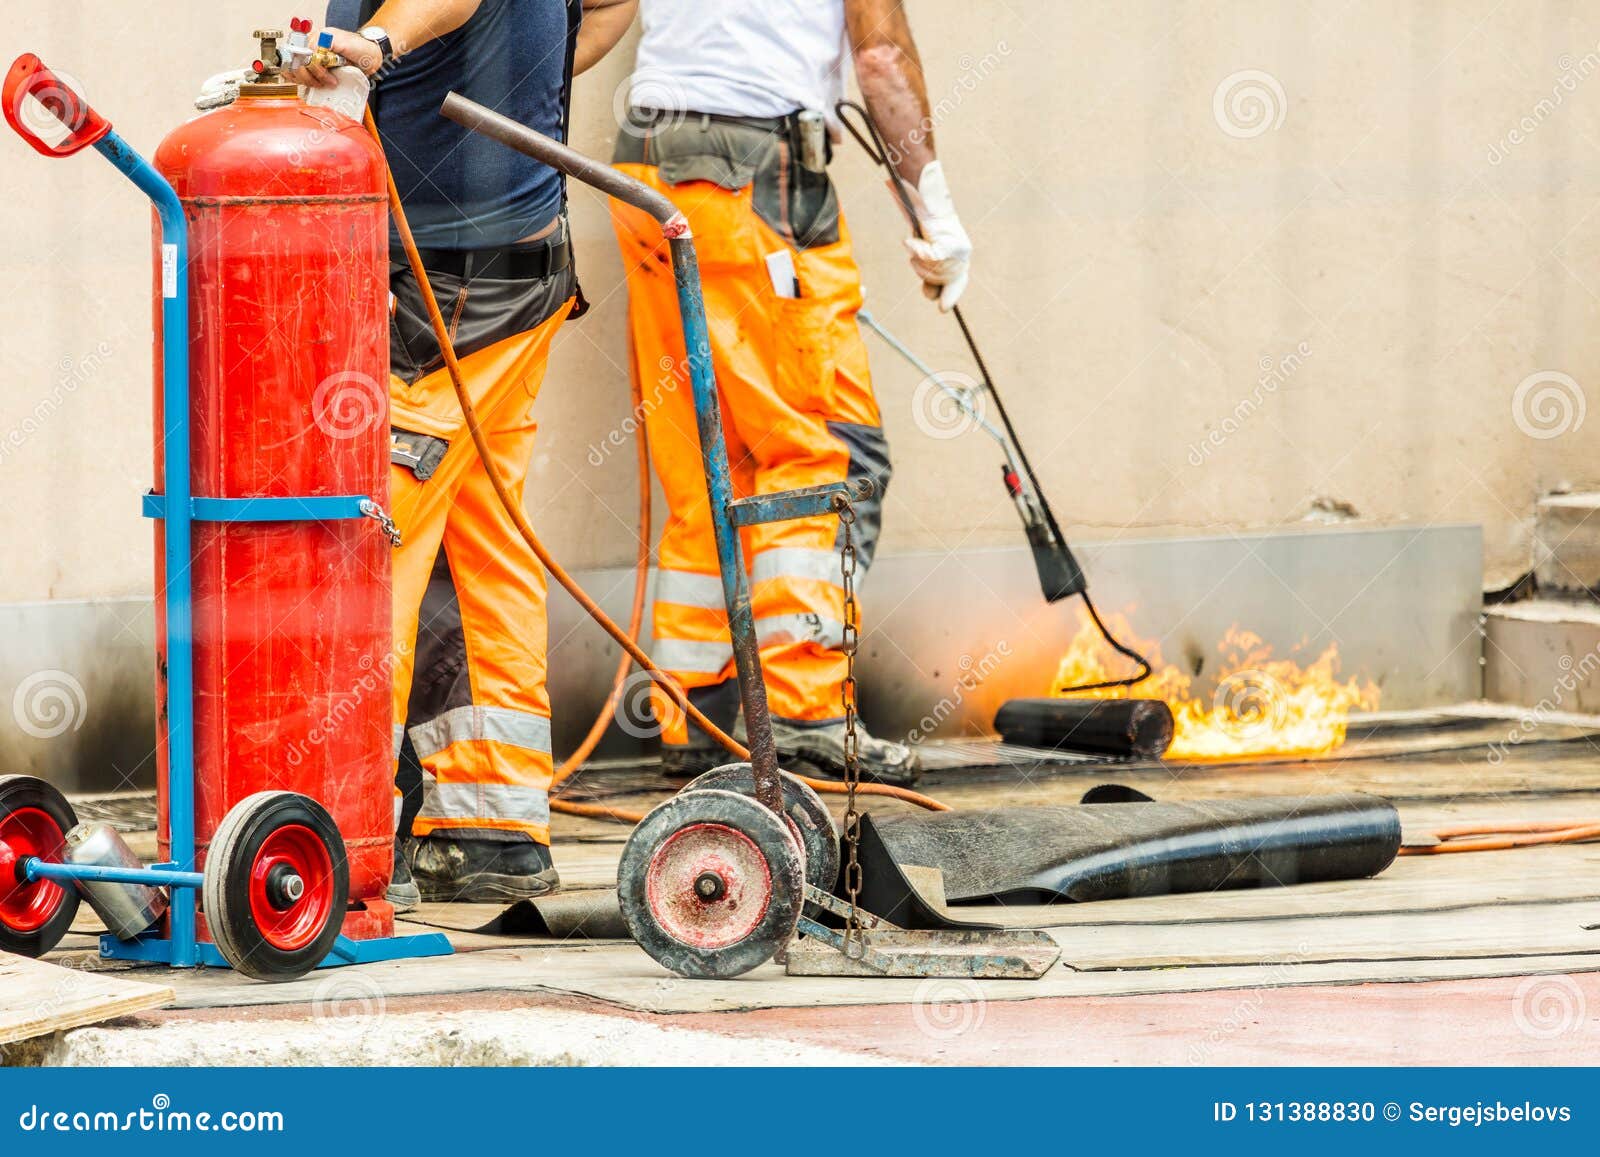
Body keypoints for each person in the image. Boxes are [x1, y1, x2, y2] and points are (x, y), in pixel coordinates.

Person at [290, 0, 637, 909]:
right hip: (512, 265)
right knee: (479, 537)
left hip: (452, 271)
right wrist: (515, 84)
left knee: (380, 530)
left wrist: (377, 47)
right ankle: (491, 825)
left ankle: (335, 828)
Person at [609, 0, 973, 786]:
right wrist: (934, 211)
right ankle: (803, 712)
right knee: (825, 449)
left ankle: (697, 716)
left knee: (711, 459)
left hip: (644, 170)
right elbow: (880, 59)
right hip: (751, 177)